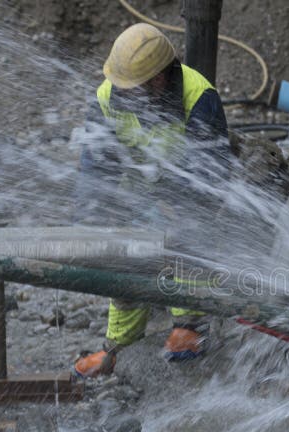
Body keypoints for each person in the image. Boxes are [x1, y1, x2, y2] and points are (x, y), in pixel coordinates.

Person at [73, 23, 228, 378]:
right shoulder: (107, 97)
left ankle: (189, 323)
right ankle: (117, 346)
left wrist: (172, 204)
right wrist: (90, 218)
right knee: (122, 260)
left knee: (189, 234)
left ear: (159, 79)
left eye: (133, 88)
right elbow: (95, 168)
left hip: (184, 195)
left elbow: (209, 175)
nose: (123, 93)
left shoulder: (198, 96)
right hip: (135, 194)